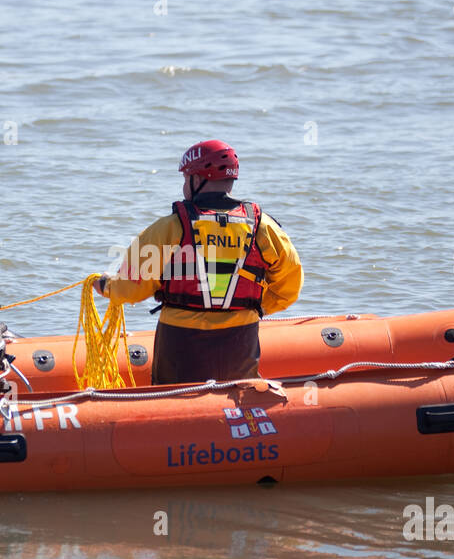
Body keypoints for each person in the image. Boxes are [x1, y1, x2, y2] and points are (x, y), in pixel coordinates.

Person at [94, 140, 302, 384]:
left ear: (197, 179)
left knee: (174, 405)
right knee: (235, 399)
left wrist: (106, 285)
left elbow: (132, 287)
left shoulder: (169, 228)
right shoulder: (263, 226)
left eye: (186, 178)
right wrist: (256, 308)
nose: (184, 186)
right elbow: (289, 285)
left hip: (181, 342)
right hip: (240, 340)